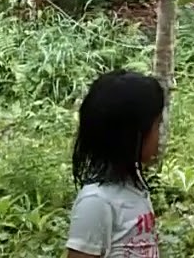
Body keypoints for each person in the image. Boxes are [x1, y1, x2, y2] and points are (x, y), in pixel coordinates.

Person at [66, 70, 165, 258]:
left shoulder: (135, 187)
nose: (159, 136)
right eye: (157, 126)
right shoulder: (96, 202)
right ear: (132, 135)